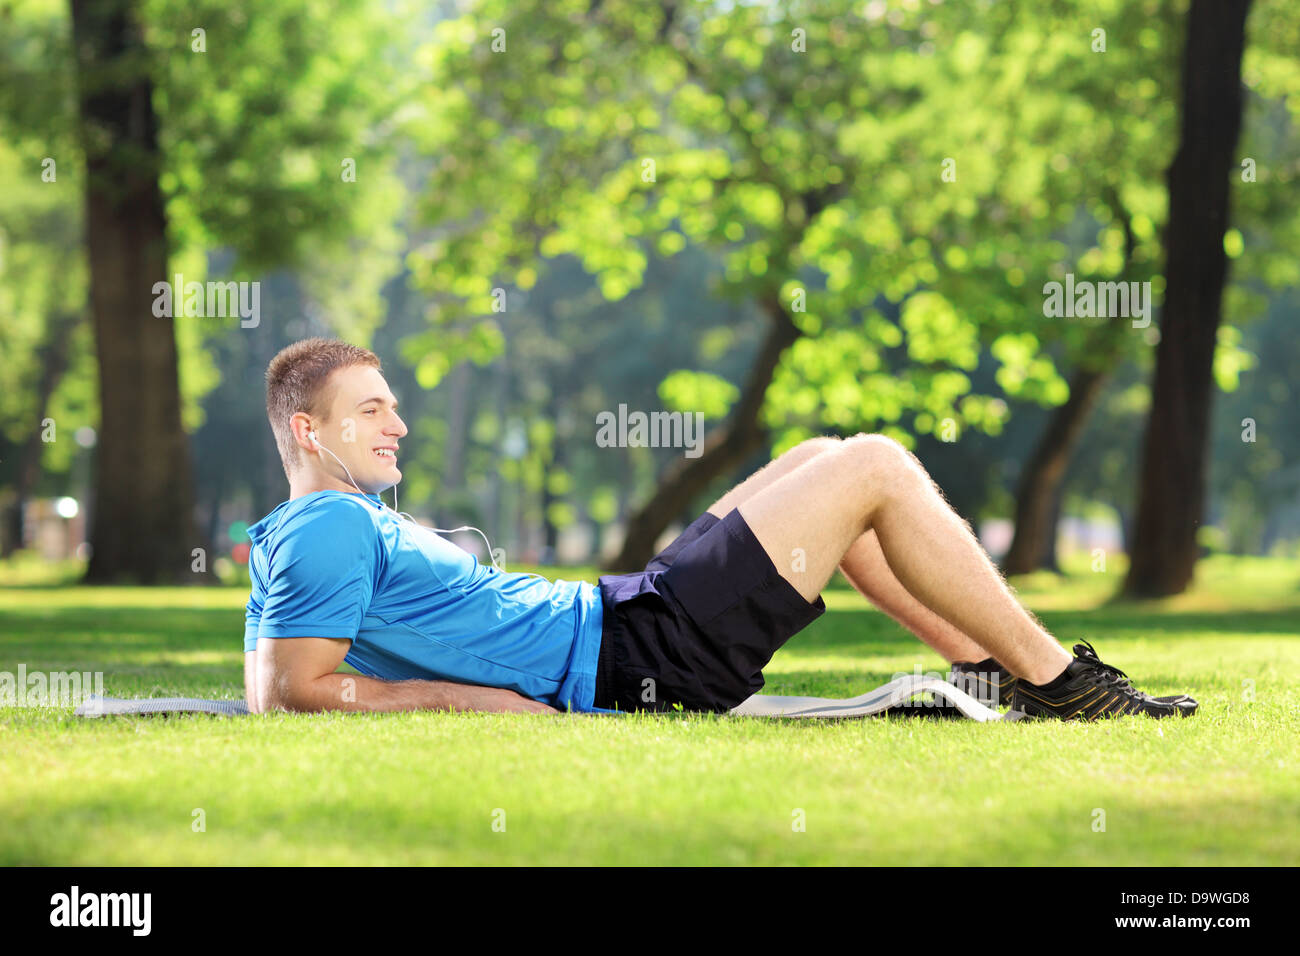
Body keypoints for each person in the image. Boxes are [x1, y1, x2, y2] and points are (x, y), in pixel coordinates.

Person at [243, 337, 1197, 721]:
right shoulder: (328, 523)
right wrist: (466, 704)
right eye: (371, 411)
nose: (397, 426)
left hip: (627, 618)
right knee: (873, 467)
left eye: (391, 406)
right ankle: (1061, 685)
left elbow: (270, 677)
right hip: (635, 656)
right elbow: (291, 690)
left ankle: (986, 669)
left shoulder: (310, 528)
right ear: (307, 430)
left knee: (830, 453)